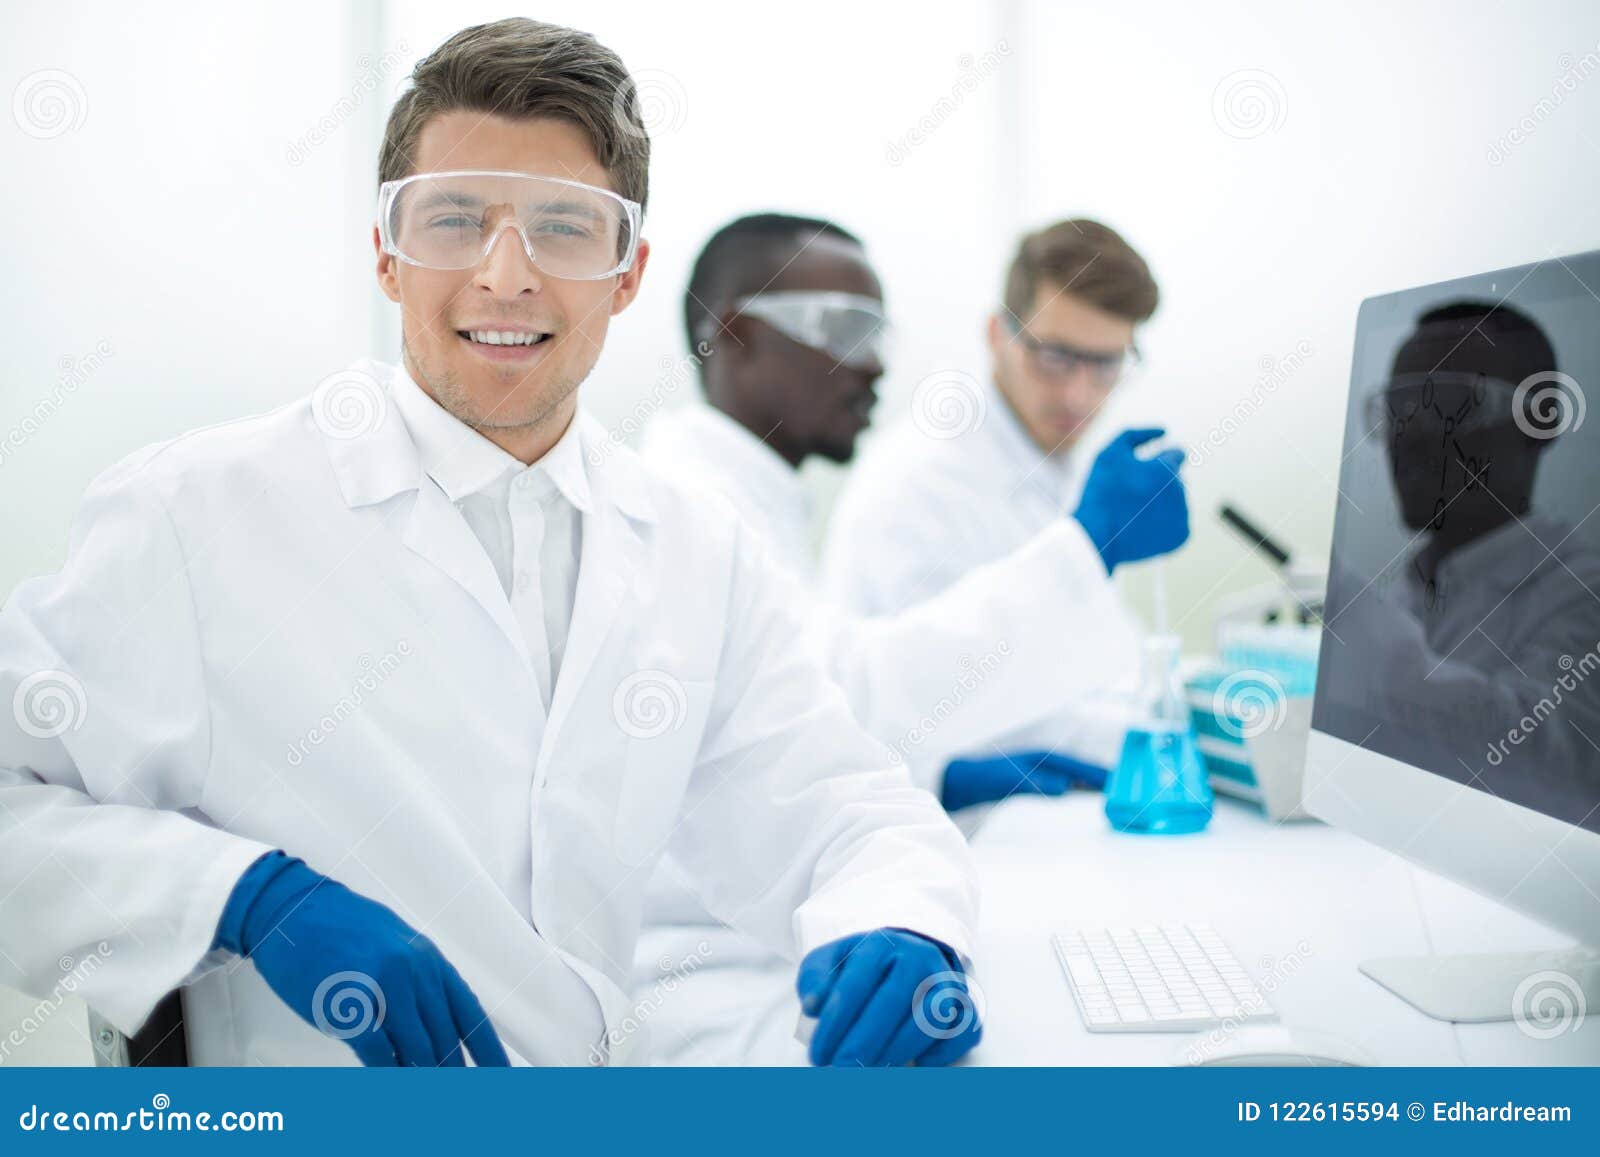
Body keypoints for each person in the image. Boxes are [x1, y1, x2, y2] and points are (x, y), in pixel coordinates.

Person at [0, 18, 980, 1069]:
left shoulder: (693, 544)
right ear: (385, 250)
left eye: (563, 226)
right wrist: (244, 896)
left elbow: (834, 796)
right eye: (455, 220)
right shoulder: (195, 513)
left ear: (628, 269)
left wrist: (902, 918)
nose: (505, 276)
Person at [629, 214, 1189, 1063]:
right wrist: (1085, 550)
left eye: (880, 332)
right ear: (736, 336)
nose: (879, 362)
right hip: (716, 980)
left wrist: (946, 773)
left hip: (788, 934)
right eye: (845, 329)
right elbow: (854, 696)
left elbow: (797, 723)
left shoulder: (751, 497)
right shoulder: (690, 510)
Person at [822, 218, 1188, 772]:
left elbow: (1093, 667)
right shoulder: (919, 480)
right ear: (998, 334)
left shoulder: (1055, 460)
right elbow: (923, 698)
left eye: (1106, 364)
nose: (1078, 393)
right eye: (1056, 358)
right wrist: (1090, 547)